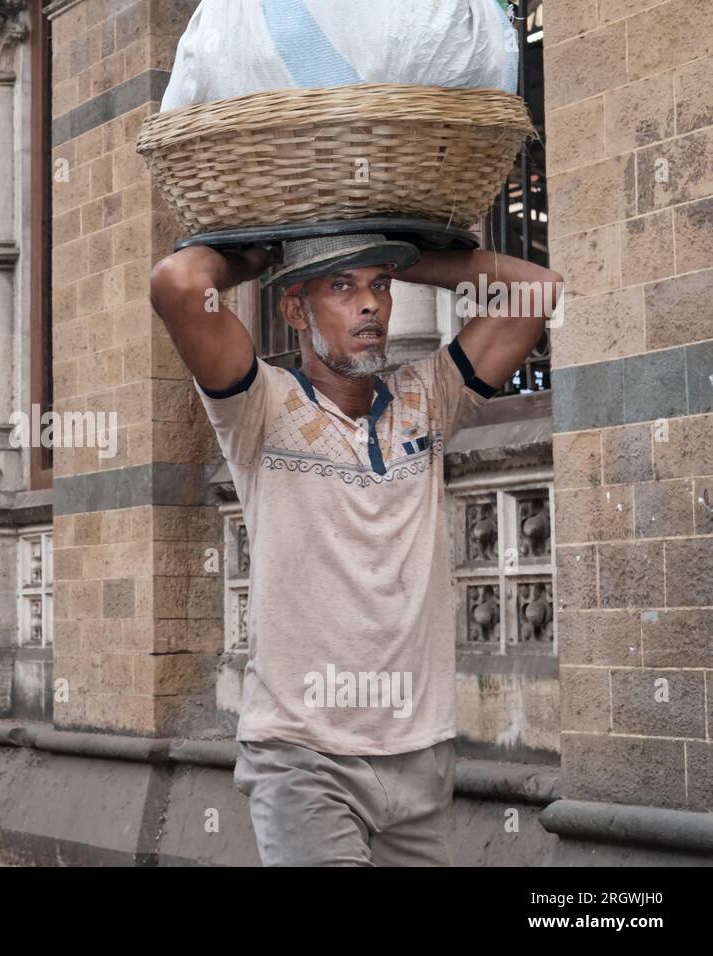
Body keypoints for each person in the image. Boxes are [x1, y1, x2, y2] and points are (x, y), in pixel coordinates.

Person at [149, 233, 561, 865]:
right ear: (295, 311)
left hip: (420, 754)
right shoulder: (261, 407)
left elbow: (538, 290)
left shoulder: (428, 399)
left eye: (380, 286)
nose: (369, 304)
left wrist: (405, 251)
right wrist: (264, 256)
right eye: (341, 287)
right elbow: (179, 284)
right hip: (304, 756)